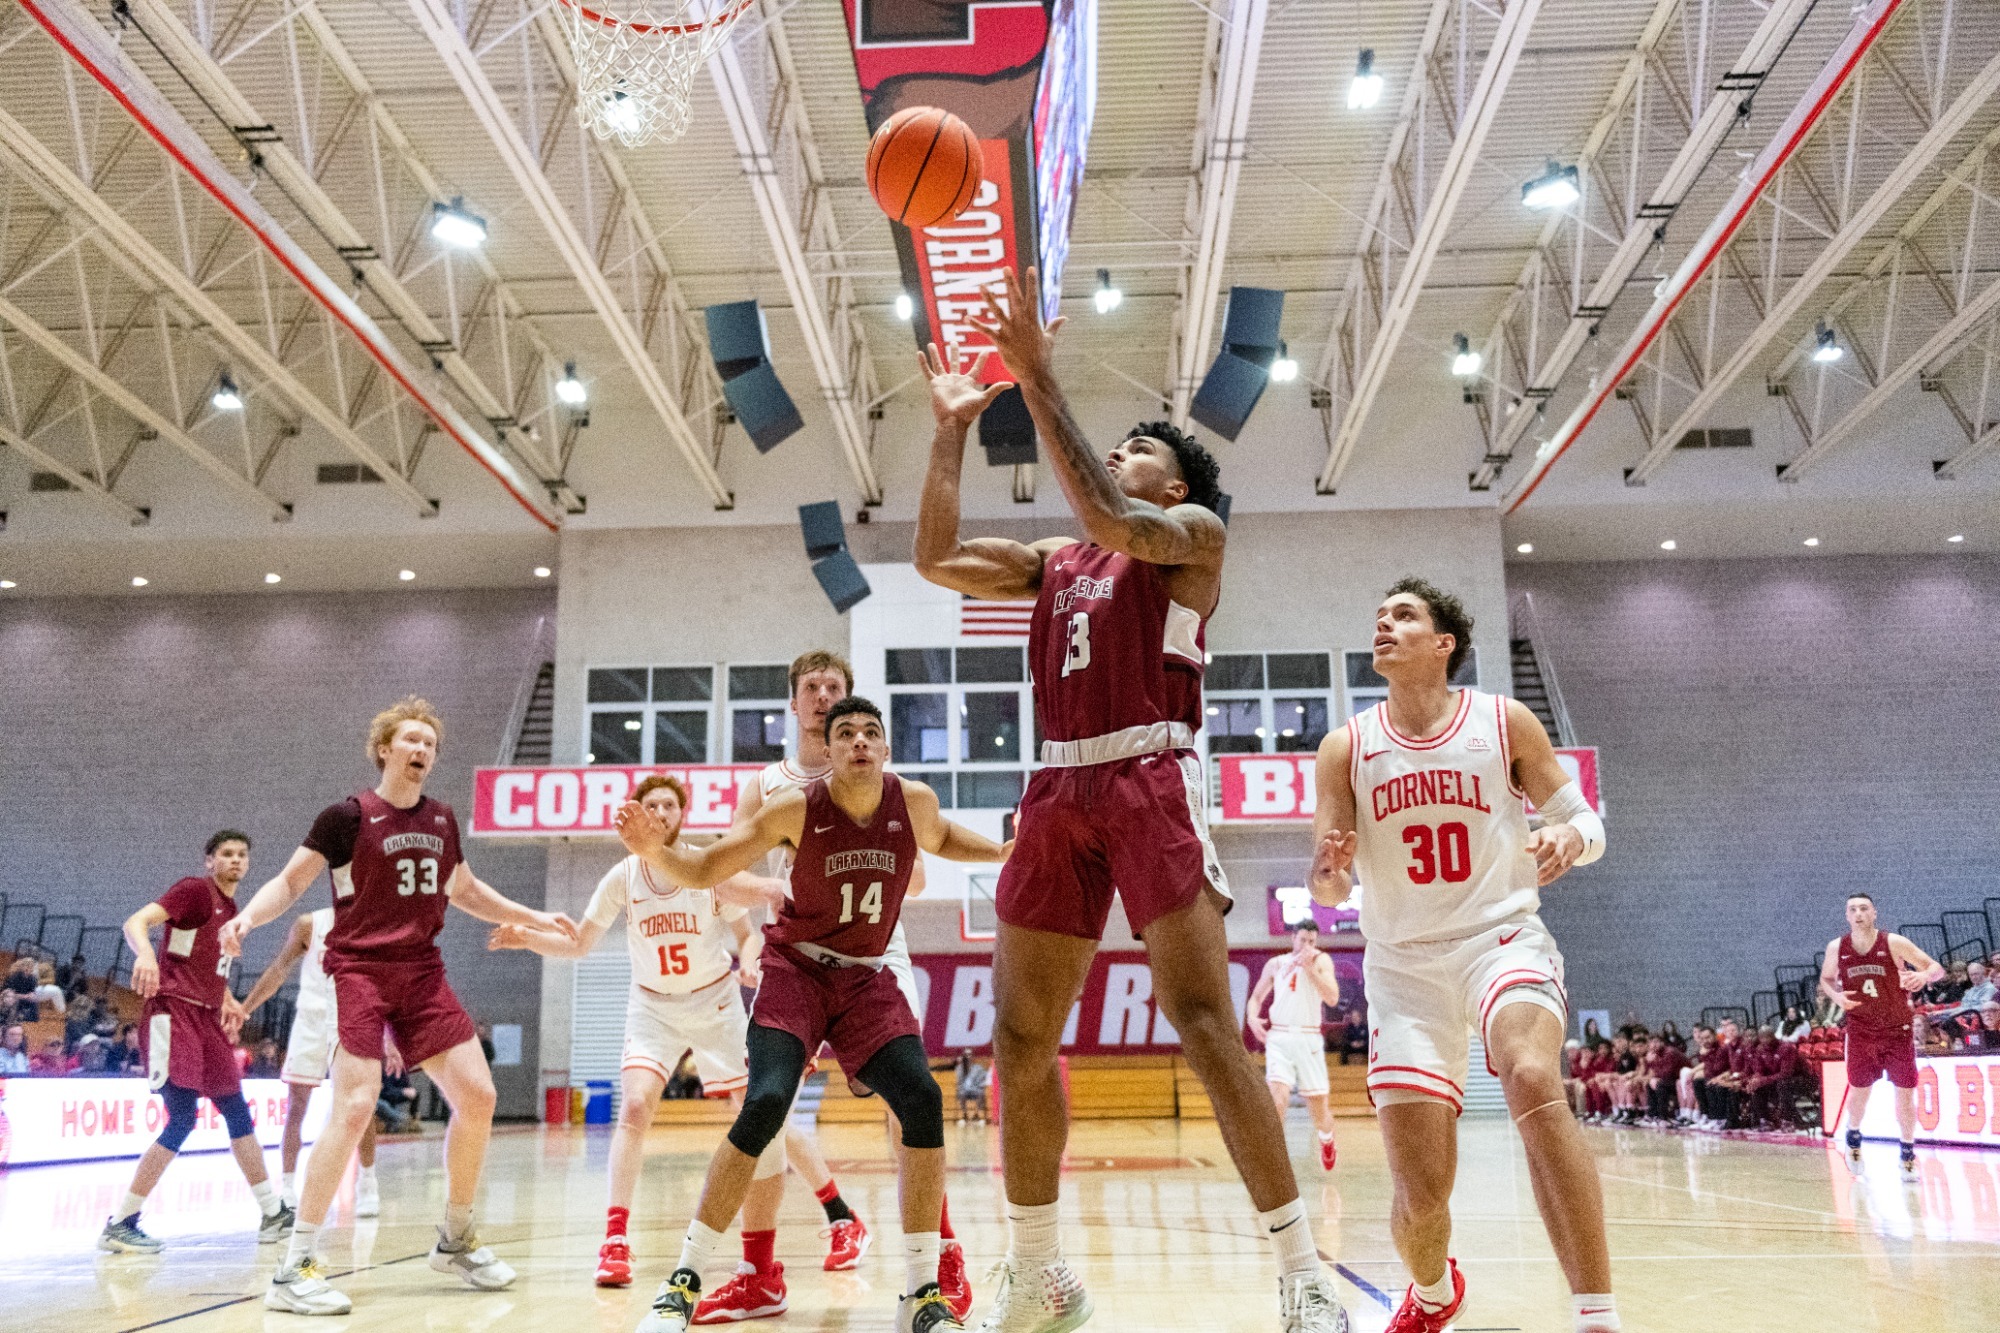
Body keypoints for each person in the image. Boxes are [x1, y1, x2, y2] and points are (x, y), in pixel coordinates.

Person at [915, 271, 1348, 1333]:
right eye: (1114, 445)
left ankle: (1302, 1274)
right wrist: (949, 434)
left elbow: (1111, 514)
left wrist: (1038, 377)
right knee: (1018, 1039)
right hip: (1057, 783)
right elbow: (933, 558)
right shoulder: (1053, 562)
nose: (1118, 454)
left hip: (1151, 773)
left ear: (1175, 481)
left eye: (1138, 447)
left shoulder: (1190, 534)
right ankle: (1038, 1274)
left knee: (1203, 1024)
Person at [615, 696, 1009, 1333]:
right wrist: (657, 852)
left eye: (870, 732)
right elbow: (708, 866)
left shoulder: (913, 802)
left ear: (886, 749)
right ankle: (681, 1285)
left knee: (921, 1098)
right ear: (827, 751)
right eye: (845, 733)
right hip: (796, 971)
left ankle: (922, 1293)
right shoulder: (795, 806)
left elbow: (942, 837)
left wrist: (1001, 853)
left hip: (865, 977)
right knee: (766, 1103)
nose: (859, 741)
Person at [1309, 578, 1616, 1333]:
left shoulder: (1504, 722)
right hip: (1403, 967)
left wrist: (1567, 837)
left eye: (1404, 615)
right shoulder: (1347, 746)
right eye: (1379, 616)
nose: (1384, 624)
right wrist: (1330, 872)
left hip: (1499, 938)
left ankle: (1597, 1314)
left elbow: (1588, 822)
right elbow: (1326, 886)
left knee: (1533, 1074)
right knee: (1422, 1200)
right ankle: (1434, 1290)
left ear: (1444, 642)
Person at [221, 695, 578, 1315]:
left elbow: (465, 889)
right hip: (360, 970)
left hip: (421, 971)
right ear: (385, 748)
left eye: (431, 744)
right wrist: (246, 919)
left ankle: (456, 1239)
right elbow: (291, 881)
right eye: (412, 739)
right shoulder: (346, 816)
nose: (423, 750)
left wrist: (533, 915)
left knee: (479, 1096)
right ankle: (295, 1266)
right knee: (356, 1104)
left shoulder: (441, 819)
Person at [682, 649, 935, 1324]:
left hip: (876, 951)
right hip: (798, 956)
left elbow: (916, 879)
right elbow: (721, 873)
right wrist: (771, 893)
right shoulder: (769, 785)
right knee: (767, 1106)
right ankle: (759, 1273)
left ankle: (938, 1266)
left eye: (835, 687)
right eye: (813, 688)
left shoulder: (882, 779)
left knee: (911, 1100)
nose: (824, 695)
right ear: (794, 705)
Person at [486, 772, 779, 1292]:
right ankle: (616, 1238)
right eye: (652, 806)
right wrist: (528, 938)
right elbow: (579, 944)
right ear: (639, 816)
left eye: (670, 805)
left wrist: (751, 961)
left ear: (682, 815)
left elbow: (746, 934)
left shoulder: (706, 865)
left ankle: (812, 1214)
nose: (661, 813)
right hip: (654, 1006)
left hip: (713, 1001)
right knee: (637, 1105)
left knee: (753, 1112)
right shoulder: (623, 876)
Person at [97, 831, 294, 1254]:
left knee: (237, 1112)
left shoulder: (233, 911)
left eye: (242, 854)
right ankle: (121, 1222)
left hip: (206, 1018)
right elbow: (135, 922)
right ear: (209, 861)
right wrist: (145, 954)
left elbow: (204, 965)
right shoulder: (193, 891)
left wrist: (228, 999)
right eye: (227, 853)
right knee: (183, 1117)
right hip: (173, 1013)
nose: (236, 860)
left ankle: (273, 1212)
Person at [234, 907, 384, 1216]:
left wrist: (391, 1036)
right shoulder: (310, 924)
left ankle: (368, 1182)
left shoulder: (373, 923)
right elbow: (278, 970)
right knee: (296, 1107)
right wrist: (245, 1008)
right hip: (311, 1024)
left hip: (354, 1023)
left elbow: (386, 984)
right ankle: (288, 1187)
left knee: (362, 1107)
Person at [1820, 892, 1941, 1182]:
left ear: (1874, 913)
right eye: (1853, 909)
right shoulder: (1837, 947)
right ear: (1847, 916)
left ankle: (1907, 1154)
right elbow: (1825, 978)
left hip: (1897, 1030)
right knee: (1860, 1092)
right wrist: (1837, 997)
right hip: (1861, 1031)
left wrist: (1923, 976)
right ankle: (1853, 1135)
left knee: (1905, 1094)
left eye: (1864, 908)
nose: (1858, 913)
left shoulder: (1893, 942)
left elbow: (1936, 968)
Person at [1247, 920, 1342, 1170]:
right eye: (1303, 940)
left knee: (1318, 1111)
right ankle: (1274, 1159)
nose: (1307, 945)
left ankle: (1326, 1139)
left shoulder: (1321, 961)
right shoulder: (1276, 963)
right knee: (1277, 1100)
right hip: (1279, 1037)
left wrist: (1310, 970)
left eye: (1312, 941)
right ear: (1293, 939)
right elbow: (1256, 997)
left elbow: (1332, 998)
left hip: (1308, 1038)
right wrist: (1252, 1018)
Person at [955, 1052, 990, 1123]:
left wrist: (980, 1085)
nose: (968, 1057)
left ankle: (976, 1114)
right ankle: (965, 1114)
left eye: (970, 1055)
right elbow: (959, 1082)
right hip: (964, 1090)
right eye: (966, 1055)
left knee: (981, 1093)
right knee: (961, 1094)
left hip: (975, 1089)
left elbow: (984, 1076)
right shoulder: (959, 1068)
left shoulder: (978, 1068)